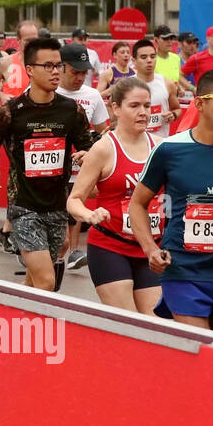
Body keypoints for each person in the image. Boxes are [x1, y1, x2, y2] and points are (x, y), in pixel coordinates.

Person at [129, 69, 213, 335]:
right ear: (200, 103)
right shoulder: (169, 150)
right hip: (181, 270)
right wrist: (150, 250)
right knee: (203, 345)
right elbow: (138, 204)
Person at [0, 37, 96, 290]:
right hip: (23, 207)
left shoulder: (71, 110)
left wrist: (89, 156)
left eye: (59, 66)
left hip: (57, 206)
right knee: (46, 281)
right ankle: (42, 327)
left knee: (36, 278)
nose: (56, 72)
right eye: (49, 66)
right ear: (29, 69)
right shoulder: (11, 111)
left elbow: (89, 147)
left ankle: (19, 316)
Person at [66, 77, 163, 313]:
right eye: (134, 106)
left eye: (147, 106)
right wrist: (90, 214)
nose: (143, 112)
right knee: (129, 324)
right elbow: (74, 199)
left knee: (156, 325)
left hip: (150, 247)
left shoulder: (162, 147)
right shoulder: (103, 149)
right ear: (115, 108)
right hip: (111, 246)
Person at [57, 42, 111, 270]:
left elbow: (104, 131)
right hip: (51, 168)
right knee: (59, 221)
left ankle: (73, 252)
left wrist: (91, 152)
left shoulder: (92, 95)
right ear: (61, 68)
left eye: (84, 72)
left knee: (75, 203)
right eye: (75, 71)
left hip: (82, 166)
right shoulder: (47, 92)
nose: (80, 77)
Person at [128, 38, 179, 140]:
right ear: (134, 61)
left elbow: (177, 109)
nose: (149, 60)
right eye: (143, 57)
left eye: (152, 56)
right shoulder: (126, 85)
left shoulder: (167, 83)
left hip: (159, 143)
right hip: (133, 143)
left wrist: (173, 115)